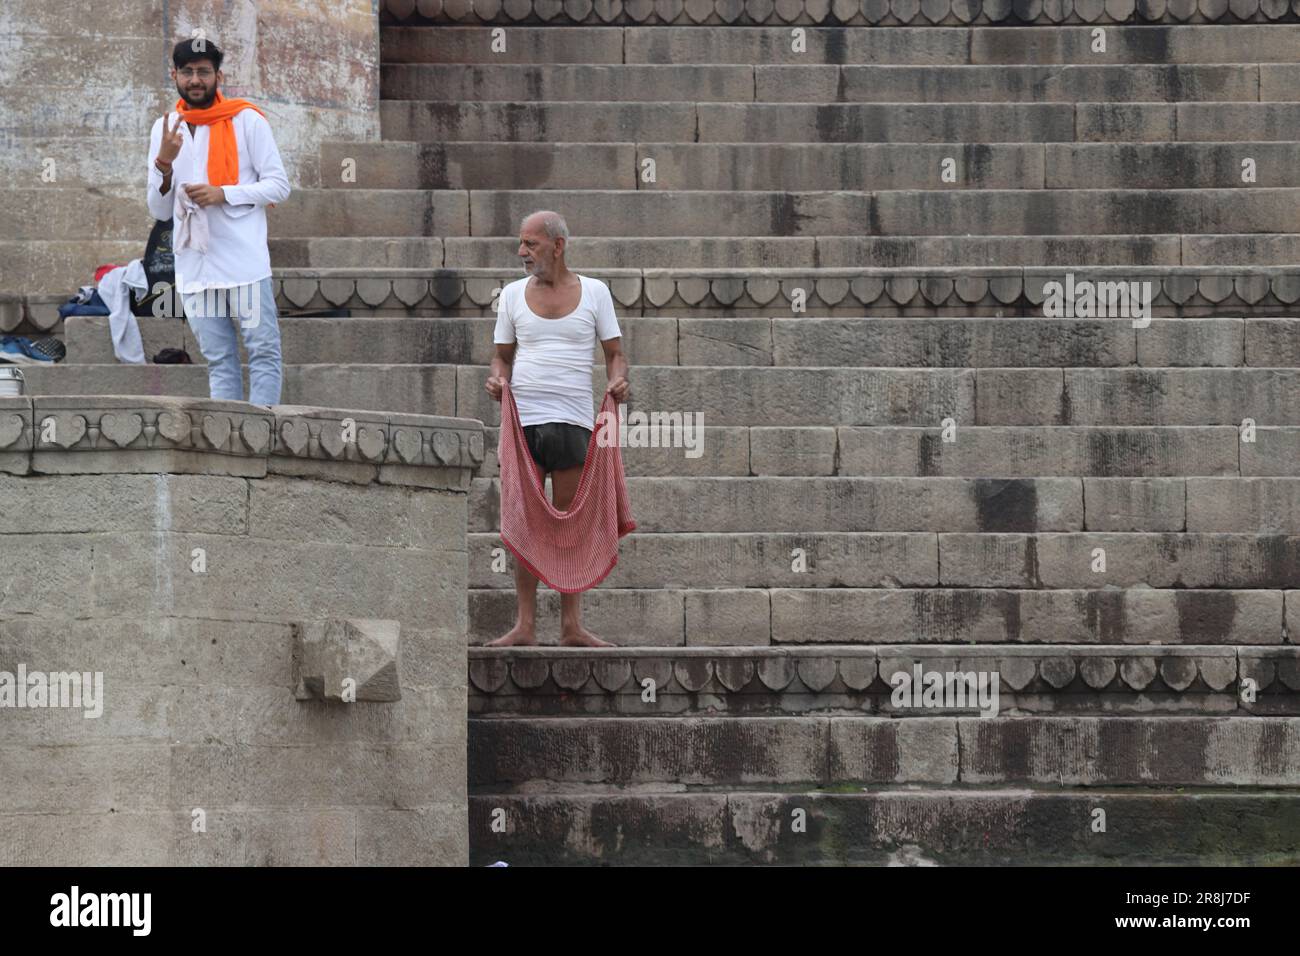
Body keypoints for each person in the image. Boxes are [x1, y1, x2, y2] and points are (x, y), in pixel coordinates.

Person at [485, 211, 631, 648]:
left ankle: (571, 626)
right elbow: (501, 357)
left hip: (573, 421)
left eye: (530, 244)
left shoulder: (595, 293)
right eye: (521, 244)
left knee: (569, 523)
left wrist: (618, 379)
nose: (521, 252)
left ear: (558, 245)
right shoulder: (510, 295)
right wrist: (496, 378)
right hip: (523, 422)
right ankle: (525, 626)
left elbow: (615, 353)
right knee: (524, 522)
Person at [146, 37, 290, 406]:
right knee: (219, 359)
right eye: (188, 72)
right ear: (175, 75)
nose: (196, 80)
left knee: (263, 351)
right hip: (195, 264)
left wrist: (223, 193)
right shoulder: (165, 128)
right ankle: (227, 441)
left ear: (218, 76)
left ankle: (262, 438)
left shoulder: (247, 120)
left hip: (244, 261)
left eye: (204, 72)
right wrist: (163, 164)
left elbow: (278, 186)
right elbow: (160, 212)